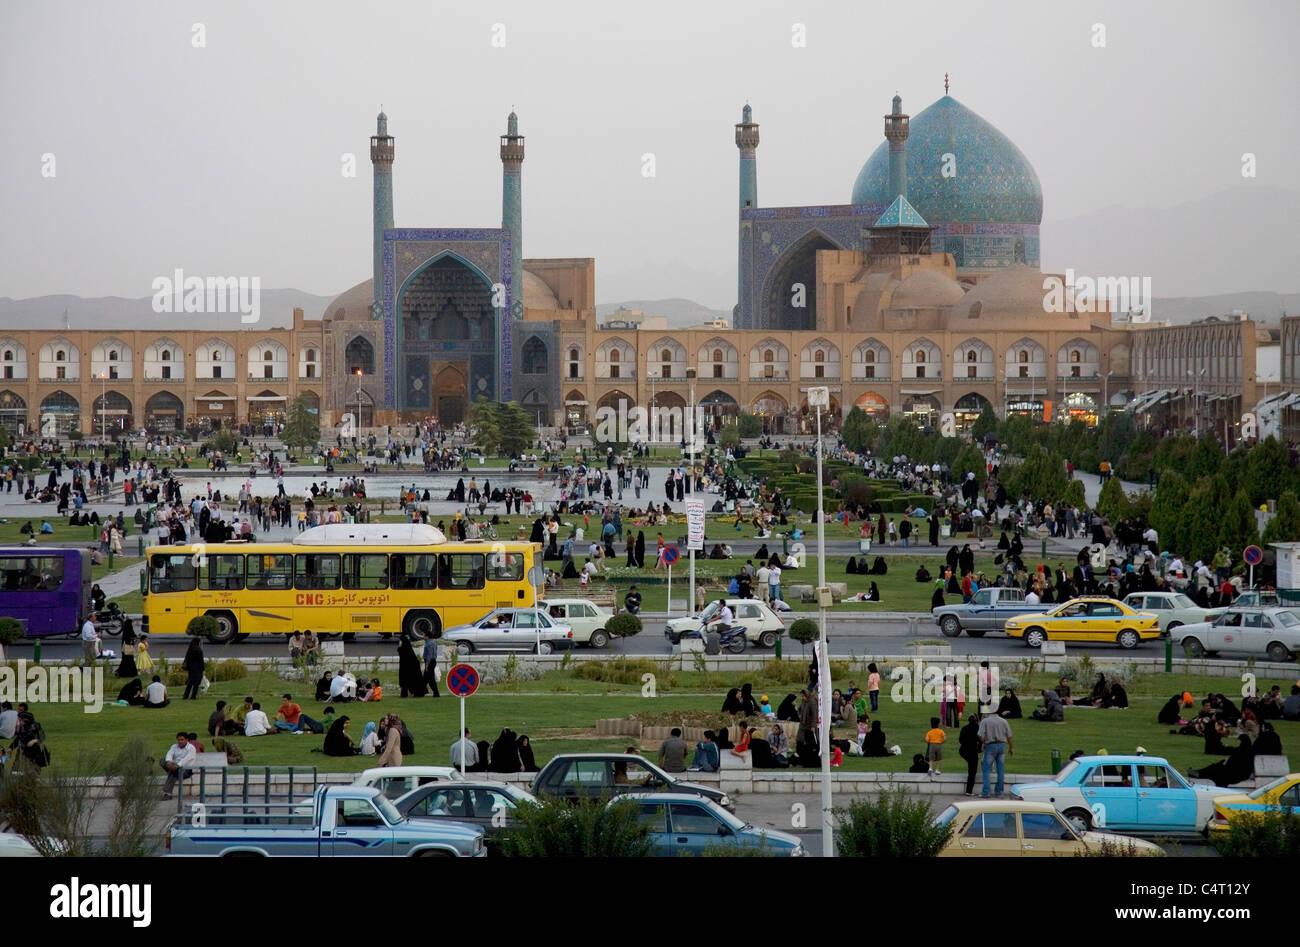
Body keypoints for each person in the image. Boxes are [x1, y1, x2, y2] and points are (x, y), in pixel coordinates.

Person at [978, 711, 1014, 798]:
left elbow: (979, 735)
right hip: (1002, 745)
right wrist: (1011, 747)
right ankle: (999, 792)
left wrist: (984, 742)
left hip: (990, 745)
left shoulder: (985, 721)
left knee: (986, 769)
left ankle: (986, 792)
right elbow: (1009, 736)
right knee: (1000, 769)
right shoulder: (1003, 721)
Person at [160, 732, 197, 799]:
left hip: (185, 770)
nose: (180, 741)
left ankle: (168, 793)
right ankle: (168, 792)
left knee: (174, 772)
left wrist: (177, 766)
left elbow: (186, 760)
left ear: (186, 740)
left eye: (182, 740)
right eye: (179, 740)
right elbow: (169, 754)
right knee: (162, 760)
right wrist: (169, 762)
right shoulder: (174, 746)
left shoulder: (191, 748)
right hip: (174, 767)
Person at [959, 714, 981, 796]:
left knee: (971, 768)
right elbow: (980, 739)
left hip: (964, 750)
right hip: (972, 751)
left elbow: (960, 740)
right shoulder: (977, 728)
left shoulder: (964, 728)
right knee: (972, 771)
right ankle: (969, 791)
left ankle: (969, 791)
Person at [422, 633, 441, 698]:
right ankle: (423, 691)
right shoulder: (433, 642)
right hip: (432, 661)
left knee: (430, 679)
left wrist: (427, 665)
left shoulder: (429, 644)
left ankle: (436, 693)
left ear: (427, 637)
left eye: (424, 635)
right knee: (425, 678)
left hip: (429, 662)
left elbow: (429, 655)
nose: (423, 637)